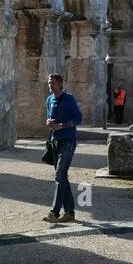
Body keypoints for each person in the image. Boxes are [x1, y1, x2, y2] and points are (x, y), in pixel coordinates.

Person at [44, 74, 83, 224]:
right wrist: (49, 122)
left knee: (59, 176)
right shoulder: (49, 100)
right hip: (54, 142)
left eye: (53, 83)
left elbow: (78, 118)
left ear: (60, 84)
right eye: (49, 83)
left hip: (68, 142)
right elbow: (48, 117)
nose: (50, 85)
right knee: (62, 177)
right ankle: (70, 213)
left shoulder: (69, 99)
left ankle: (54, 212)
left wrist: (63, 125)